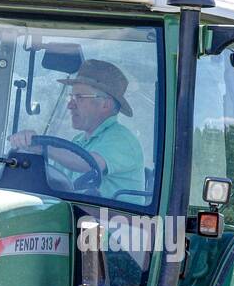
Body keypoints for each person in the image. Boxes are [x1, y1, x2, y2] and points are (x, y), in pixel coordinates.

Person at [8, 59, 144, 200]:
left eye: (79, 97)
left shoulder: (122, 140)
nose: (70, 105)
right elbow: (57, 182)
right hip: (80, 216)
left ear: (105, 104)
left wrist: (43, 147)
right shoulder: (78, 141)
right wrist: (26, 148)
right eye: (71, 97)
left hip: (113, 219)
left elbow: (90, 164)